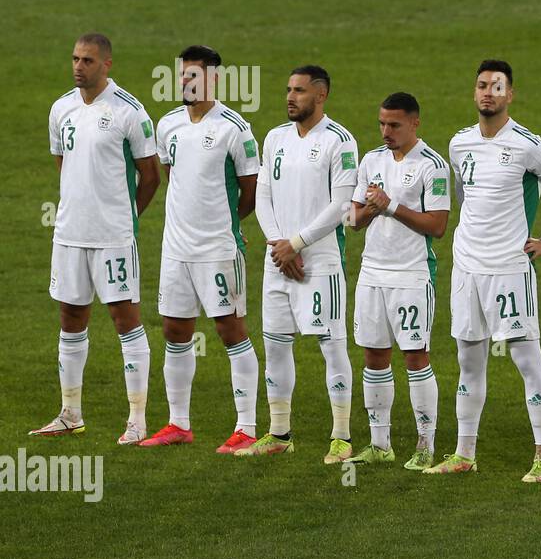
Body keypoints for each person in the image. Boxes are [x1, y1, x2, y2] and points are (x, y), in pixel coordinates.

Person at [432, 60, 541, 482]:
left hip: (509, 269)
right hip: (466, 268)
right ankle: (464, 453)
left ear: (510, 95)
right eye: (482, 86)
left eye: (497, 87)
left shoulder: (528, 145)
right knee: (468, 359)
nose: (488, 93)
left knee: (526, 359)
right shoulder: (459, 143)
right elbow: (463, 192)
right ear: (474, 92)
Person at [34, 33, 160, 443]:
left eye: (87, 60)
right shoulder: (61, 109)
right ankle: (70, 412)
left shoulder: (130, 112)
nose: (77, 67)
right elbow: (64, 163)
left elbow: (151, 174)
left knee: (125, 320)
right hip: (70, 233)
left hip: (113, 237)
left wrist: (125, 215)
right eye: (74, 58)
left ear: (107, 64)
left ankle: (137, 419)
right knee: (71, 318)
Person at [144, 45, 260, 452]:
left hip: (217, 248)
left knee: (230, 330)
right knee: (175, 331)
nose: (184, 83)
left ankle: (246, 427)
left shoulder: (234, 128)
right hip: (176, 249)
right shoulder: (169, 124)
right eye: (182, 75)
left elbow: (250, 192)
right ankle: (178, 423)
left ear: (213, 79)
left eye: (193, 76)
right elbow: (174, 175)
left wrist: (227, 224)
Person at [239, 66, 358, 462]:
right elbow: (262, 195)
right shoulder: (275, 137)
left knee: (331, 345)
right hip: (279, 261)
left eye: (300, 91)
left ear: (320, 96)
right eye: (288, 89)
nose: (291, 97)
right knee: (275, 345)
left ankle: (341, 436)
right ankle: (279, 432)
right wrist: (279, 245)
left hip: (319, 264)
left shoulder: (339, 142)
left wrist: (297, 244)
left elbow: (340, 205)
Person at [347, 93, 450, 468]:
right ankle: (380, 444)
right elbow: (354, 221)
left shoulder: (433, 166)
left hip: (411, 274)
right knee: (374, 354)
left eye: (394, 125)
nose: (386, 131)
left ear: (414, 123)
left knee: (414, 356)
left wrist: (389, 205)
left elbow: (437, 227)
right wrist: (372, 210)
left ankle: (425, 445)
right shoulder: (372, 160)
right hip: (372, 271)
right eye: (382, 124)